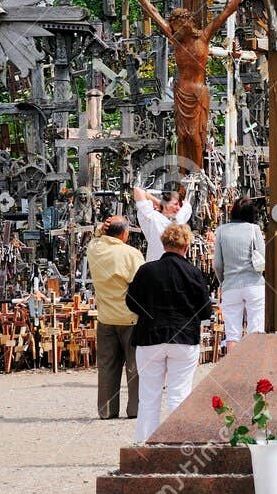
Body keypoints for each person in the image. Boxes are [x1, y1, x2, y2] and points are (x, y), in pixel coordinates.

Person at [126, 222, 214, 443]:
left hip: (149, 337)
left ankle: (145, 443)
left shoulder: (146, 270)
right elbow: (206, 311)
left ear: (164, 244)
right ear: (186, 246)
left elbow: (131, 301)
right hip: (184, 338)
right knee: (179, 393)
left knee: (149, 396)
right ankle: (178, 442)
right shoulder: (194, 272)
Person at [88, 216, 144, 420]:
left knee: (107, 366)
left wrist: (99, 229)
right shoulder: (131, 254)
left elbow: (94, 238)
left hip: (105, 317)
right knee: (134, 366)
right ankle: (135, 410)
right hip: (130, 318)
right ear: (124, 233)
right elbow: (141, 284)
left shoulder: (95, 250)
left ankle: (107, 410)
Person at [212, 197, 266, 346]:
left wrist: (224, 282)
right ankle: (254, 366)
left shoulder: (221, 231)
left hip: (230, 285)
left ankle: (233, 368)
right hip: (254, 284)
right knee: (256, 329)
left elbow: (217, 264)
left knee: (232, 333)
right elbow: (263, 257)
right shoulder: (254, 230)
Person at [133, 184, 193, 262]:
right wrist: (159, 203)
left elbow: (187, 205)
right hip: (156, 266)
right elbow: (137, 190)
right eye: (175, 204)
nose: (178, 208)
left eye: (180, 205)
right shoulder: (152, 218)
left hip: (177, 267)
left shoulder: (179, 218)